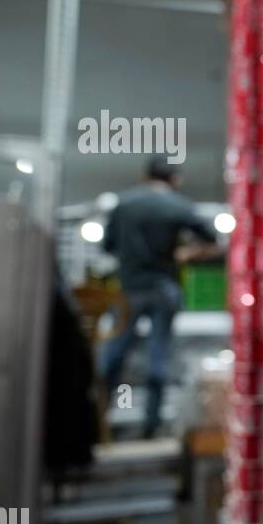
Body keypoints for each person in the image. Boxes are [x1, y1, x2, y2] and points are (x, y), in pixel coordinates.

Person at [100, 156, 220, 438]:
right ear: (175, 179)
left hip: (129, 288)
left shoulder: (124, 204)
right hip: (164, 288)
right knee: (159, 354)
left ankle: (97, 421)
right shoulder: (180, 206)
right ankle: (151, 426)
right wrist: (184, 254)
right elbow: (212, 241)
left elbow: (107, 247)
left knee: (114, 354)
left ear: (145, 176)